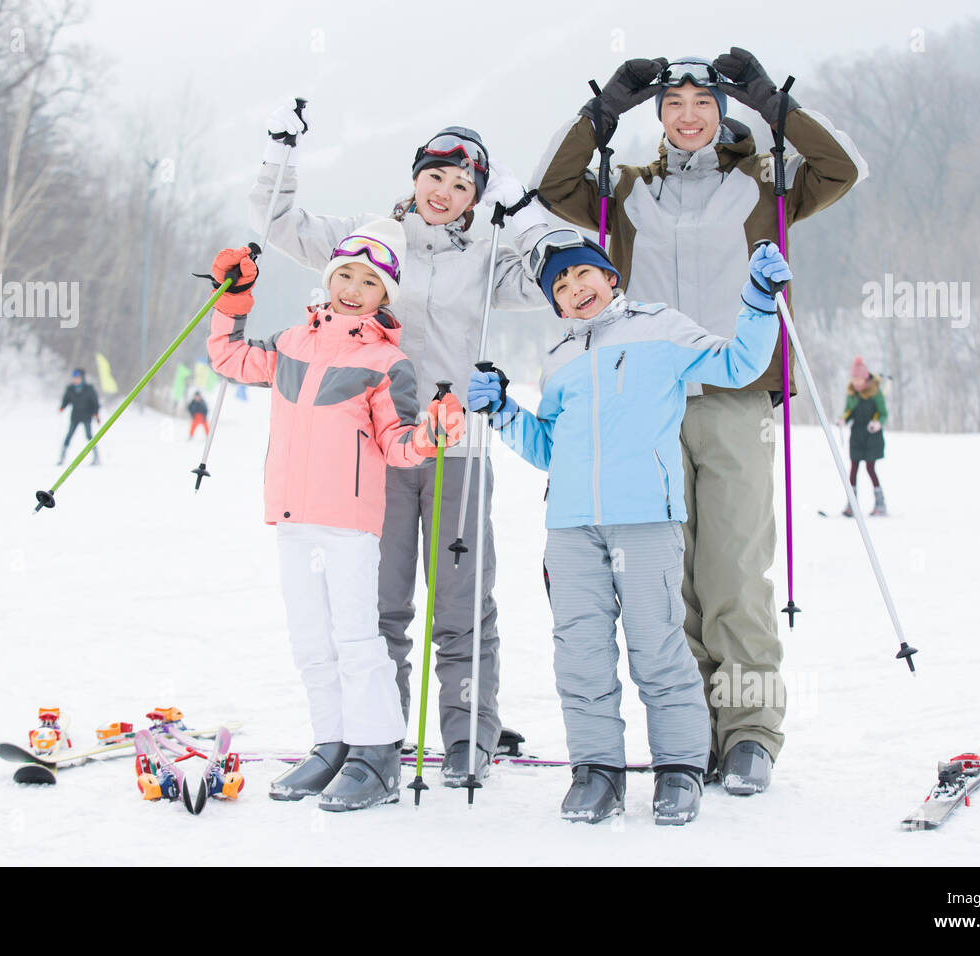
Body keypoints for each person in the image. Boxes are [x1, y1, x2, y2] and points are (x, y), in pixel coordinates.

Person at [532, 50, 867, 794]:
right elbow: (552, 183)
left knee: (733, 571)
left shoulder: (762, 183)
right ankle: (693, 734)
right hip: (642, 405)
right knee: (668, 577)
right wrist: (599, 115)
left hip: (735, 394)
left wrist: (775, 107)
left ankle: (749, 731)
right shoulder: (623, 193)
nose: (689, 115)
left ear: (723, 113)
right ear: (657, 117)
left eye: (705, 103)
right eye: (674, 103)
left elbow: (841, 170)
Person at [252, 106, 550, 787]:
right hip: (372, 454)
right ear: (415, 178)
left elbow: (561, 283)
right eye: (433, 176)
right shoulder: (367, 240)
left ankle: (469, 734)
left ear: (478, 198)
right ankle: (370, 741)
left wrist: (525, 211)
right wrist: (281, 153)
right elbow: (278, 225)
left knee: (462, 602)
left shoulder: (487, 253)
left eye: (461, 185)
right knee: (377, 606)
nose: (442, 192)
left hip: (458, 449)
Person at [469, 233, 789, 824]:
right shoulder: (559, 359)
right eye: (559, 288)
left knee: (658, 646)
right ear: (556, 306)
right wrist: (504, 411)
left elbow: (739, 363)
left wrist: (759, 301)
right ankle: (597, 771)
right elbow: (548, 449)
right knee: (580, 653)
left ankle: (680, 768)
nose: (574, 290)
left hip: (645, 521)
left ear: (611, 277)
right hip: (570, 528)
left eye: (582, 275)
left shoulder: (660, 327)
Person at [206, 219, 466, 811]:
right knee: (310, 641)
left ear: (385, 295)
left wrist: (432, 433)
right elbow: (227, 357)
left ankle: (376, 756)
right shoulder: (292, 342)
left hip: (348, 523)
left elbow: (397, 444)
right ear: (329, 279)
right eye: (345, 274)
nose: (353, 287)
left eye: (369, 280)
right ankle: (331, 743)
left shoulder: (387, 362)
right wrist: (232, 300)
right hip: (293, 517)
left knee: (356, 638)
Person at [841, 357, 888, 517]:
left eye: (858, 379)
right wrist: (843, 420)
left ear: (865, 378)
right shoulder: (852, 394)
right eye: (853, 379)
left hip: (872, 437)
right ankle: (851, 504)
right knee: (853, 468)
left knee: (870, 468)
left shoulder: (876, 393)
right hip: (857, 435)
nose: (856, 383)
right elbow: (848, 412)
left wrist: (878, 424)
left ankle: (880, 503)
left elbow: (883, 414)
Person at [57, 368, 100, 466]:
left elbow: (95, 403)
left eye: (77, 378)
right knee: (69, 436)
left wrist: (96, 413)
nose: (75, 380)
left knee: (89, 436)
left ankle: (96, 457)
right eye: (74, 378)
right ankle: (62, 458)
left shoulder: (89, 389)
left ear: (82, 378)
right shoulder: (70, 389)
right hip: (75, 416)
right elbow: (66, 400)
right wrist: (62, 407)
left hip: (86, 416)